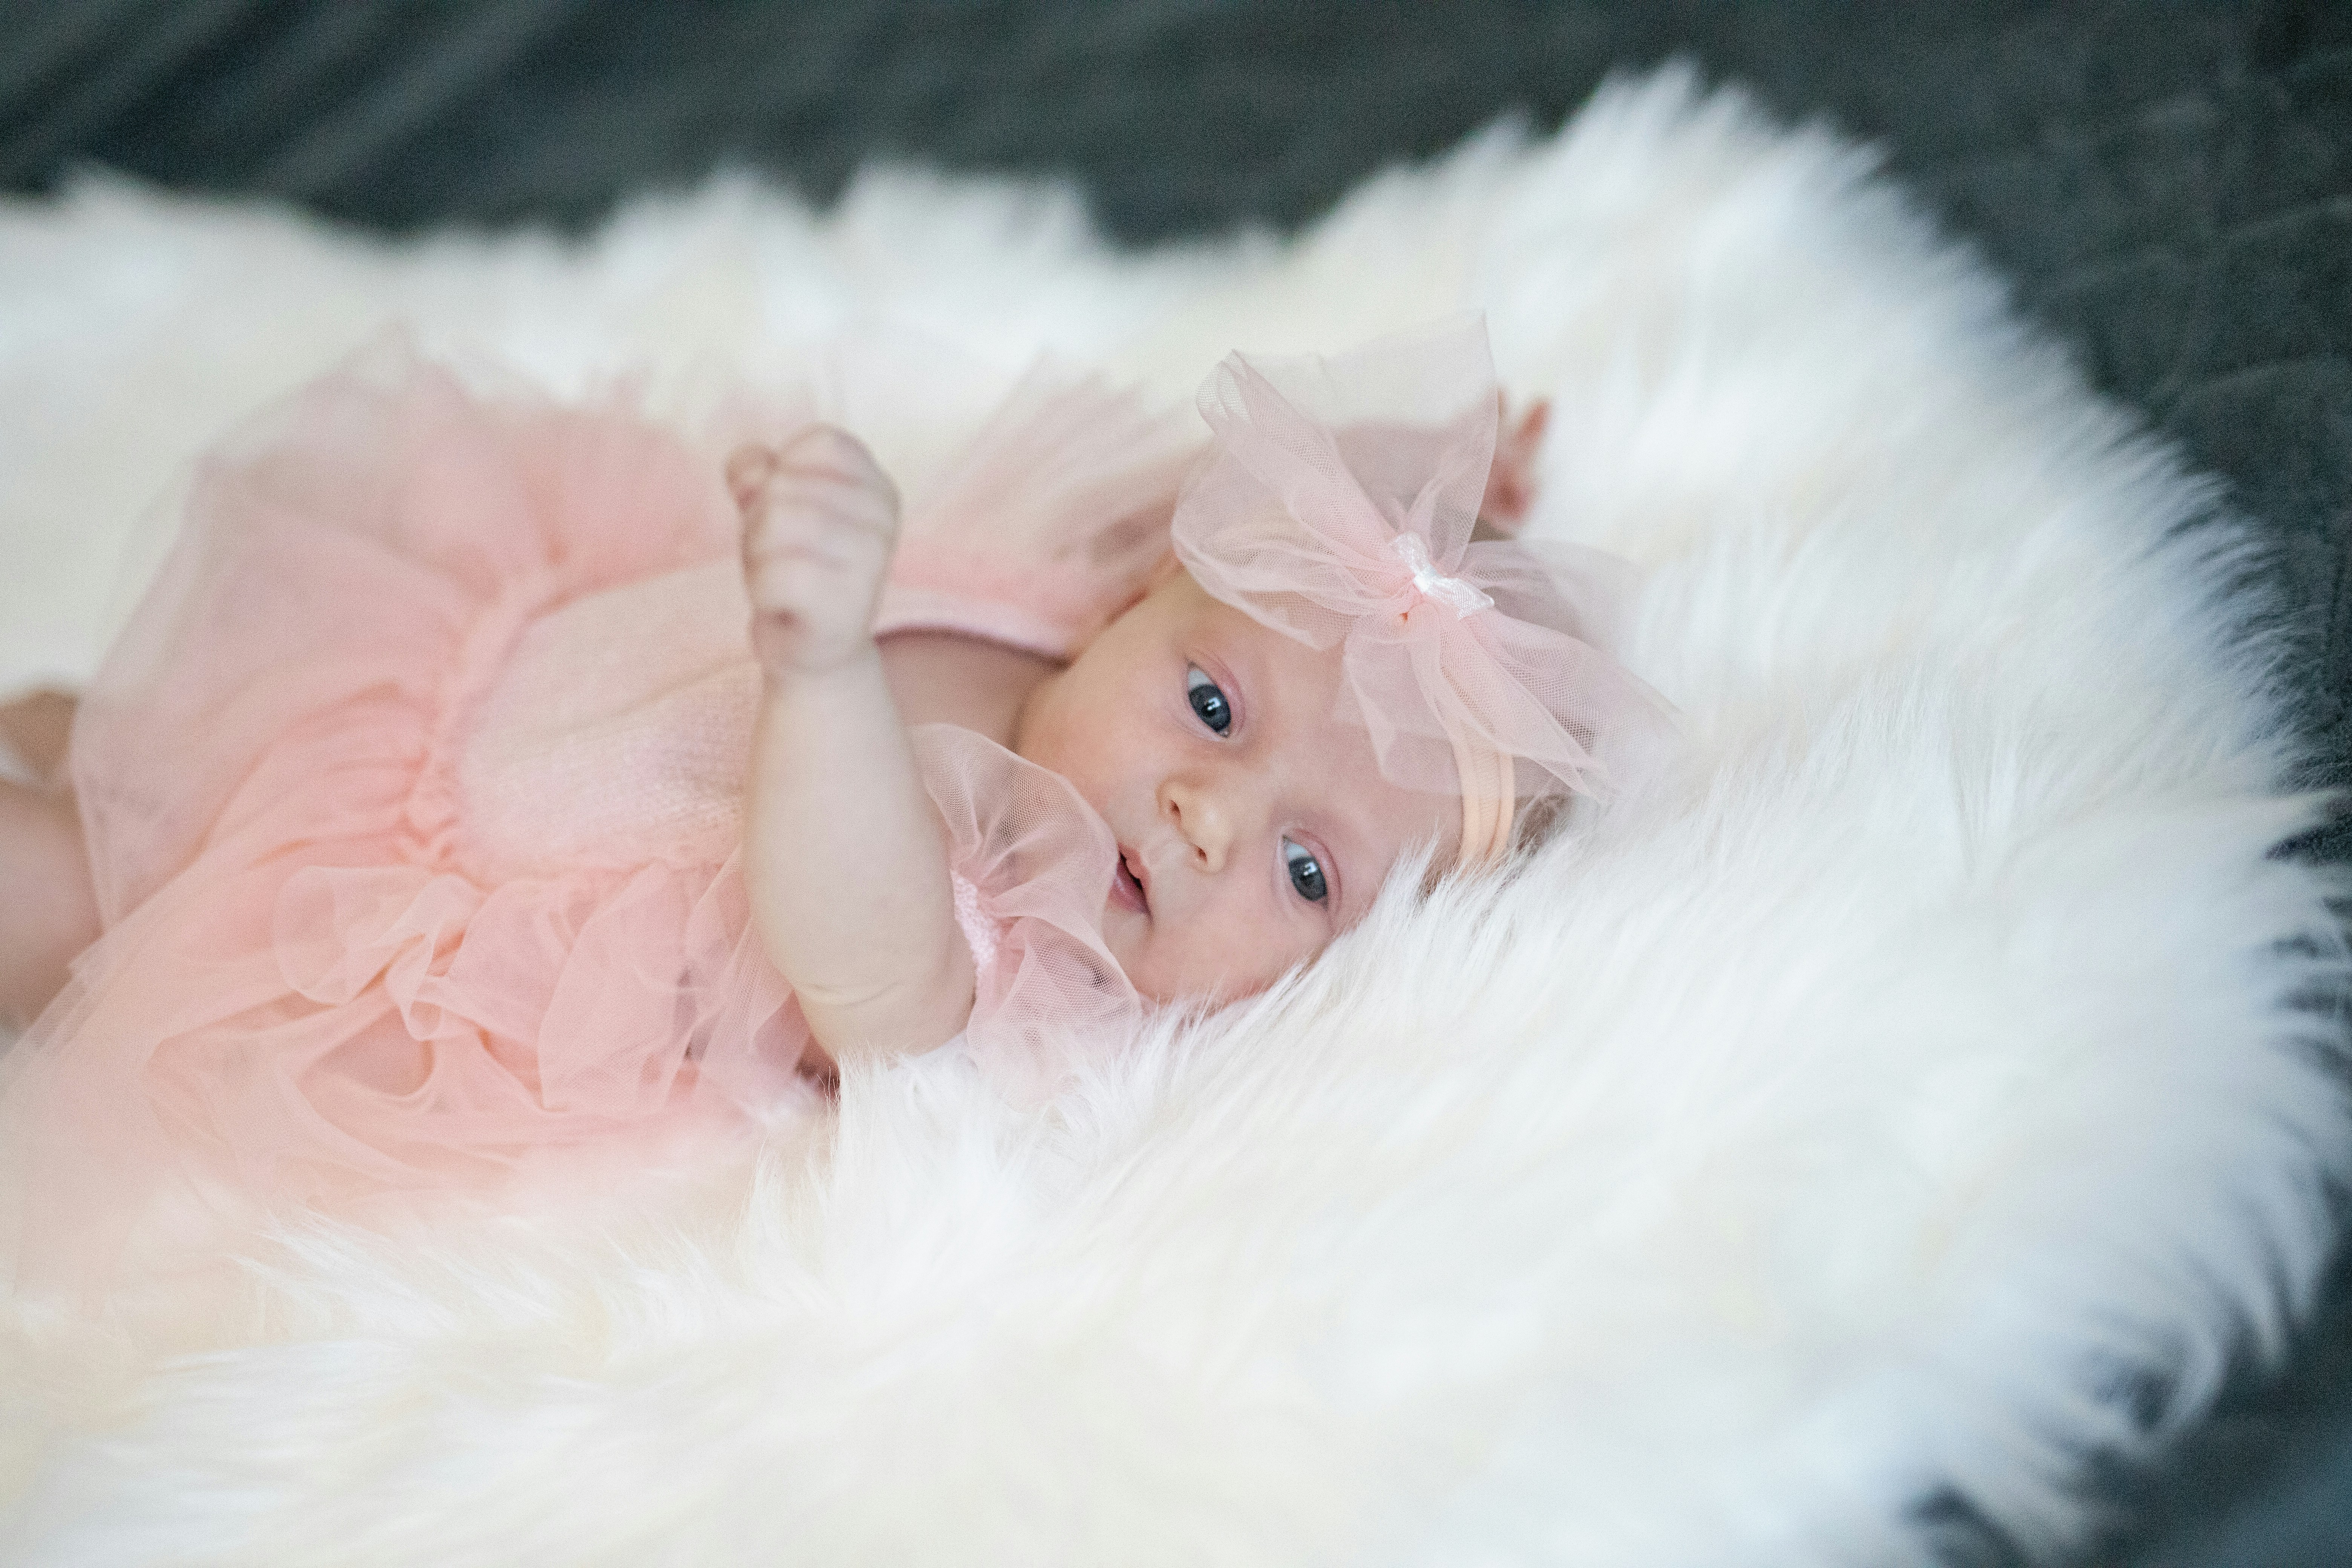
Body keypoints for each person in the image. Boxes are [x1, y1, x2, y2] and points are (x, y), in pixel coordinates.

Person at [0, 318, 1661, 1283]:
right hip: (459, 672)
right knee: (134, 729)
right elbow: (1257, 511)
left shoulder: (1031, 931)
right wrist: (1438, 501)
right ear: (1141, 598)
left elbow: (865, 968)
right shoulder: (1085, 581)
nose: (1210, 814)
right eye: (1214, 705)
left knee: (89, 898)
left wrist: (820, 678)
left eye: (1309, 869)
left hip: (431, 924)